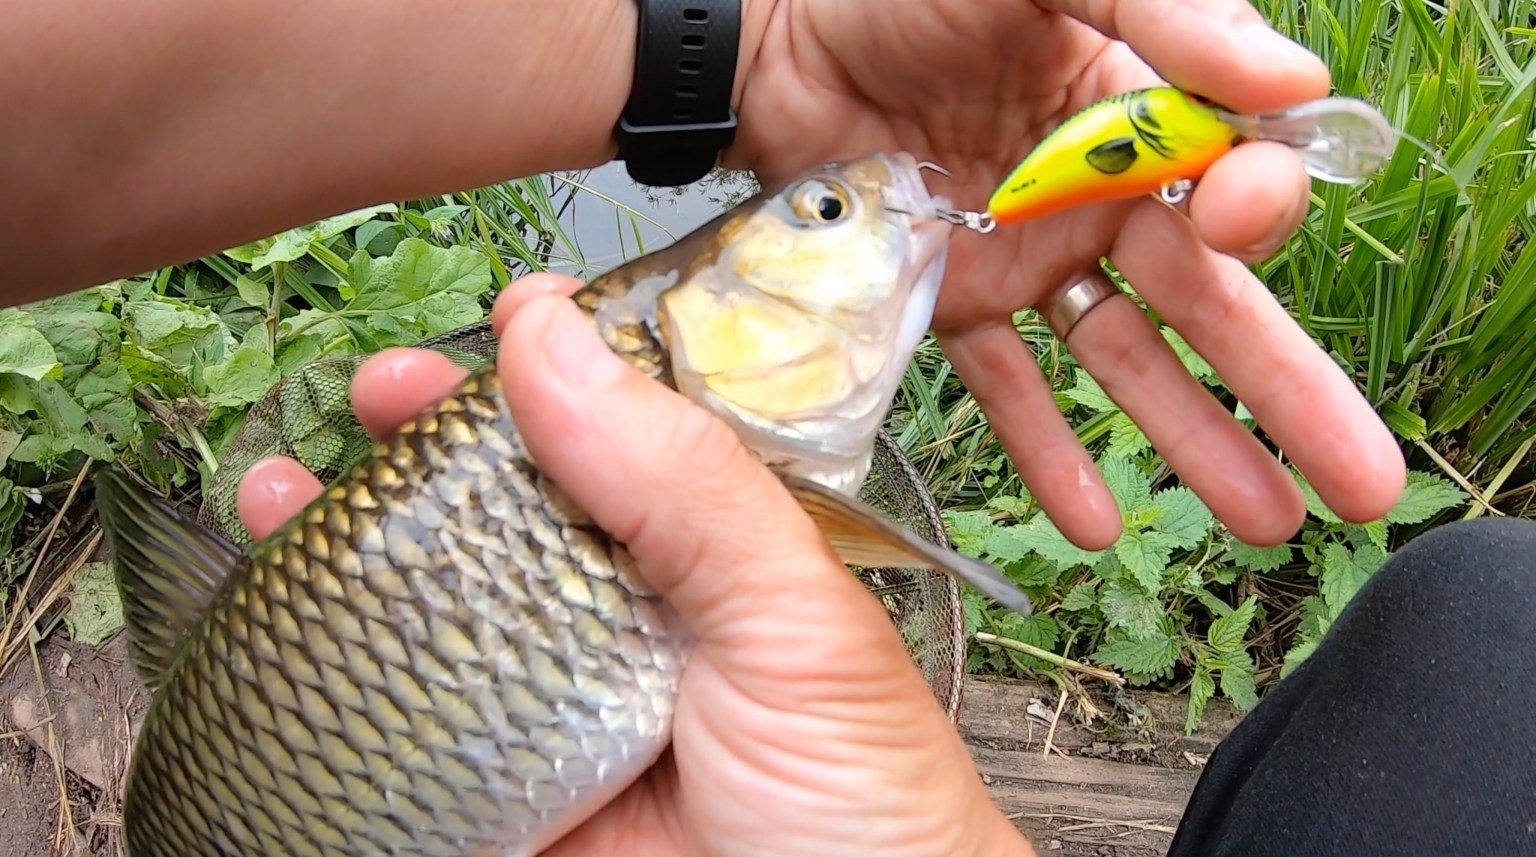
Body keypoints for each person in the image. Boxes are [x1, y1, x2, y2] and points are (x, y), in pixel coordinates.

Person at [9, 1, 1533, 854]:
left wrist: (767, 48)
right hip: (251, 792)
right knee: (1489, 616)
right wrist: (764, 44)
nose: (869, 194)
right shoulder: (667, 417)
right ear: (673, 357)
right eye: (823, 209)